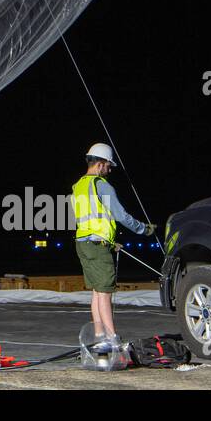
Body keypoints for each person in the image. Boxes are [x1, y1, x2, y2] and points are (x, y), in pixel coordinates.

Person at [71, 143, 155, 348]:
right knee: (105, 292)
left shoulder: (78, 186)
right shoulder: (102, 185)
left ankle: (100, 337)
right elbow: (120, 216)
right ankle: (112, 338)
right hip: (97, 246)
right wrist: (144, 229)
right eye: (108, 166)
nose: (110, 170)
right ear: (100, 164)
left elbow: (90, 219)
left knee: (97, 292)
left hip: (83, 243)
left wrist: (109, 240)